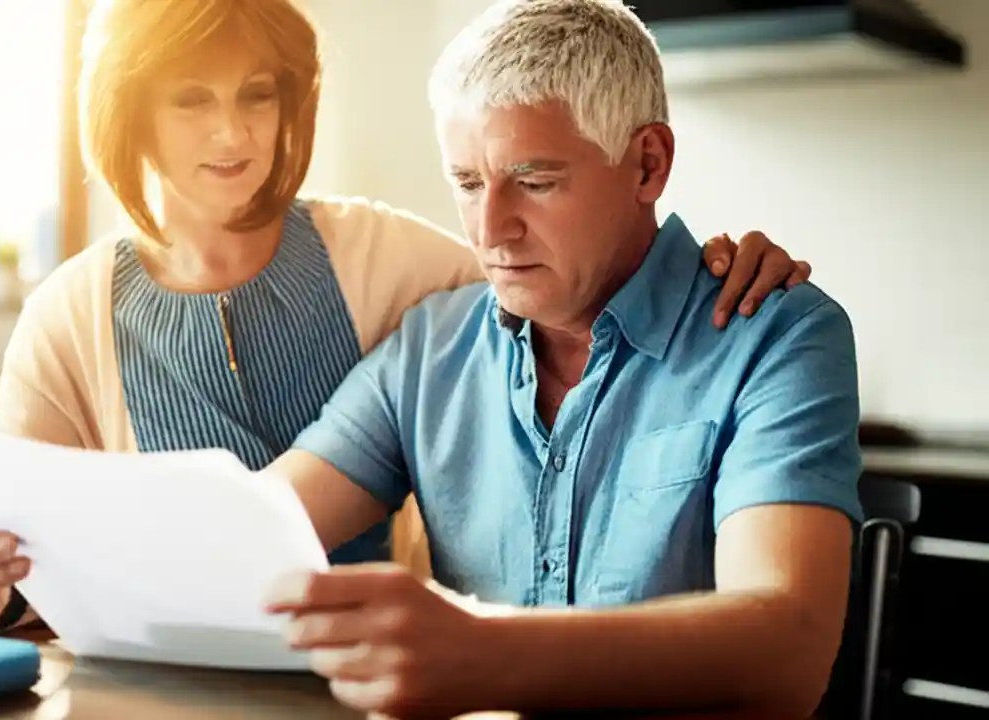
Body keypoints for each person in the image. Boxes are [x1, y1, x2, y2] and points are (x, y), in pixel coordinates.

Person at [0, 0, 813, 640]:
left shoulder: (398, 267)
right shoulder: (72, 314)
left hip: (382, 690)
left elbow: (576, 287)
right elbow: (58, 546)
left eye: (255, 95)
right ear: (128, 113)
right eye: (191, 98)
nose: (232, 136)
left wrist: (709, 275)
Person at [260, 1, 862, 717]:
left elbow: (785, 654)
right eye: (468, 183)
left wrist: (484, 651)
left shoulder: (775, 336)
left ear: (647, 164)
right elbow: (252, 536)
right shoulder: (428, 350)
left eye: (536, 182)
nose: (492, 230)